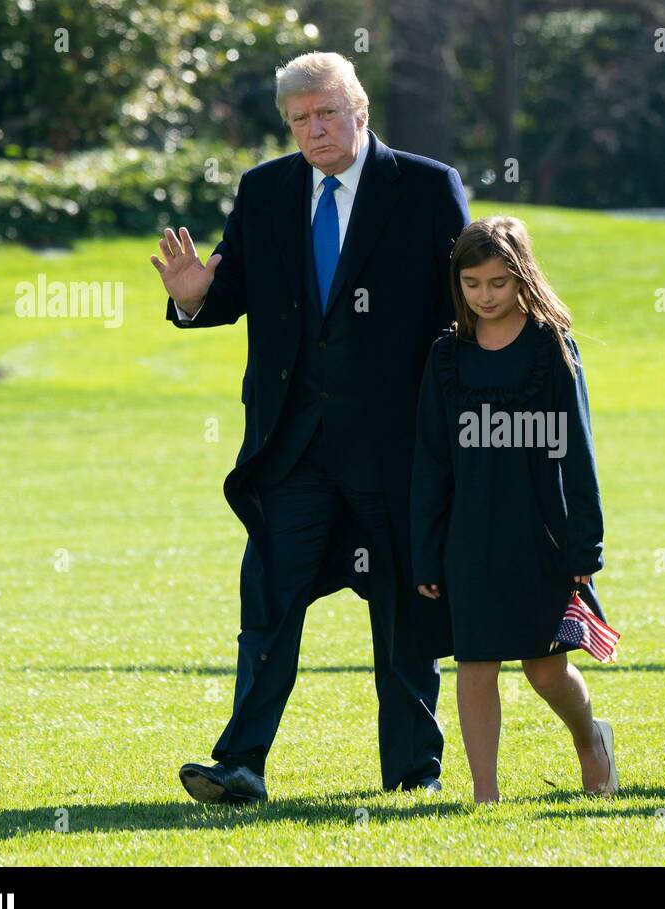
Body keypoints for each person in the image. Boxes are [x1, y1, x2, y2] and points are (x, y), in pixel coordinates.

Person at [150, 51, 469, 804]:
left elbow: (464, 308)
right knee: (268, 604)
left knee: (401, 613)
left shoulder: (427, 187)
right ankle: (241, 766)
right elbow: (229, 294)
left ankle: (413, 773)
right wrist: (195, 297)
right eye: (300, 120)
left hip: (395, 452)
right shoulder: (265, 189)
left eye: (327, 113)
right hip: (291, 450)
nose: (314, 130)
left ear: (360, 110)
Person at [410, 216, 617, 804]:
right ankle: (485, 795)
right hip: (468, 537)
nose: (485, 295)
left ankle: (589, 740)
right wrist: (425, 551)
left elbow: (578, 450)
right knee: (475, 664)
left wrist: (585, 544)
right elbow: (430, 462)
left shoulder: (552, 347)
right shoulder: (446, 356)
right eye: (472, 283)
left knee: (544, 668)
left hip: (541, 535)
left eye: (498, 282)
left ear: (521, 275)